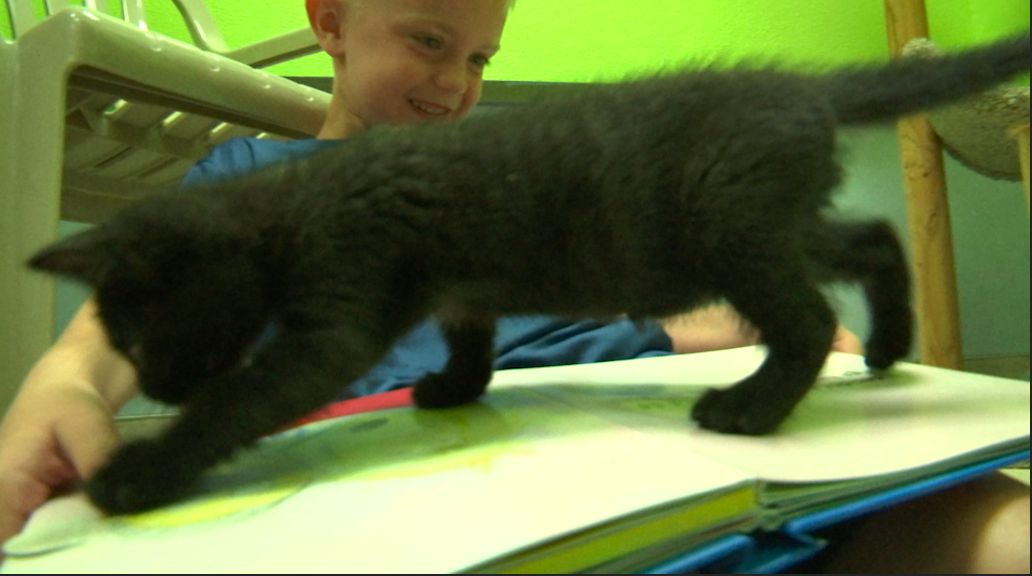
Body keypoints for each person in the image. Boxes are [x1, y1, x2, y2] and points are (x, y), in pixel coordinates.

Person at [0, 0, 1027, 572]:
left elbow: (328, 352)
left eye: (480, 56)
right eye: (427, 39)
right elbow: (100, 341)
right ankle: (849, 278)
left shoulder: (368, 212)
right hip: (457, 512)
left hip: (641, 453)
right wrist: (64, 385)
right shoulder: (244, 192)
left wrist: (171, 459)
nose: (455, 82)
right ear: (330, 21)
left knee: (985, 527)